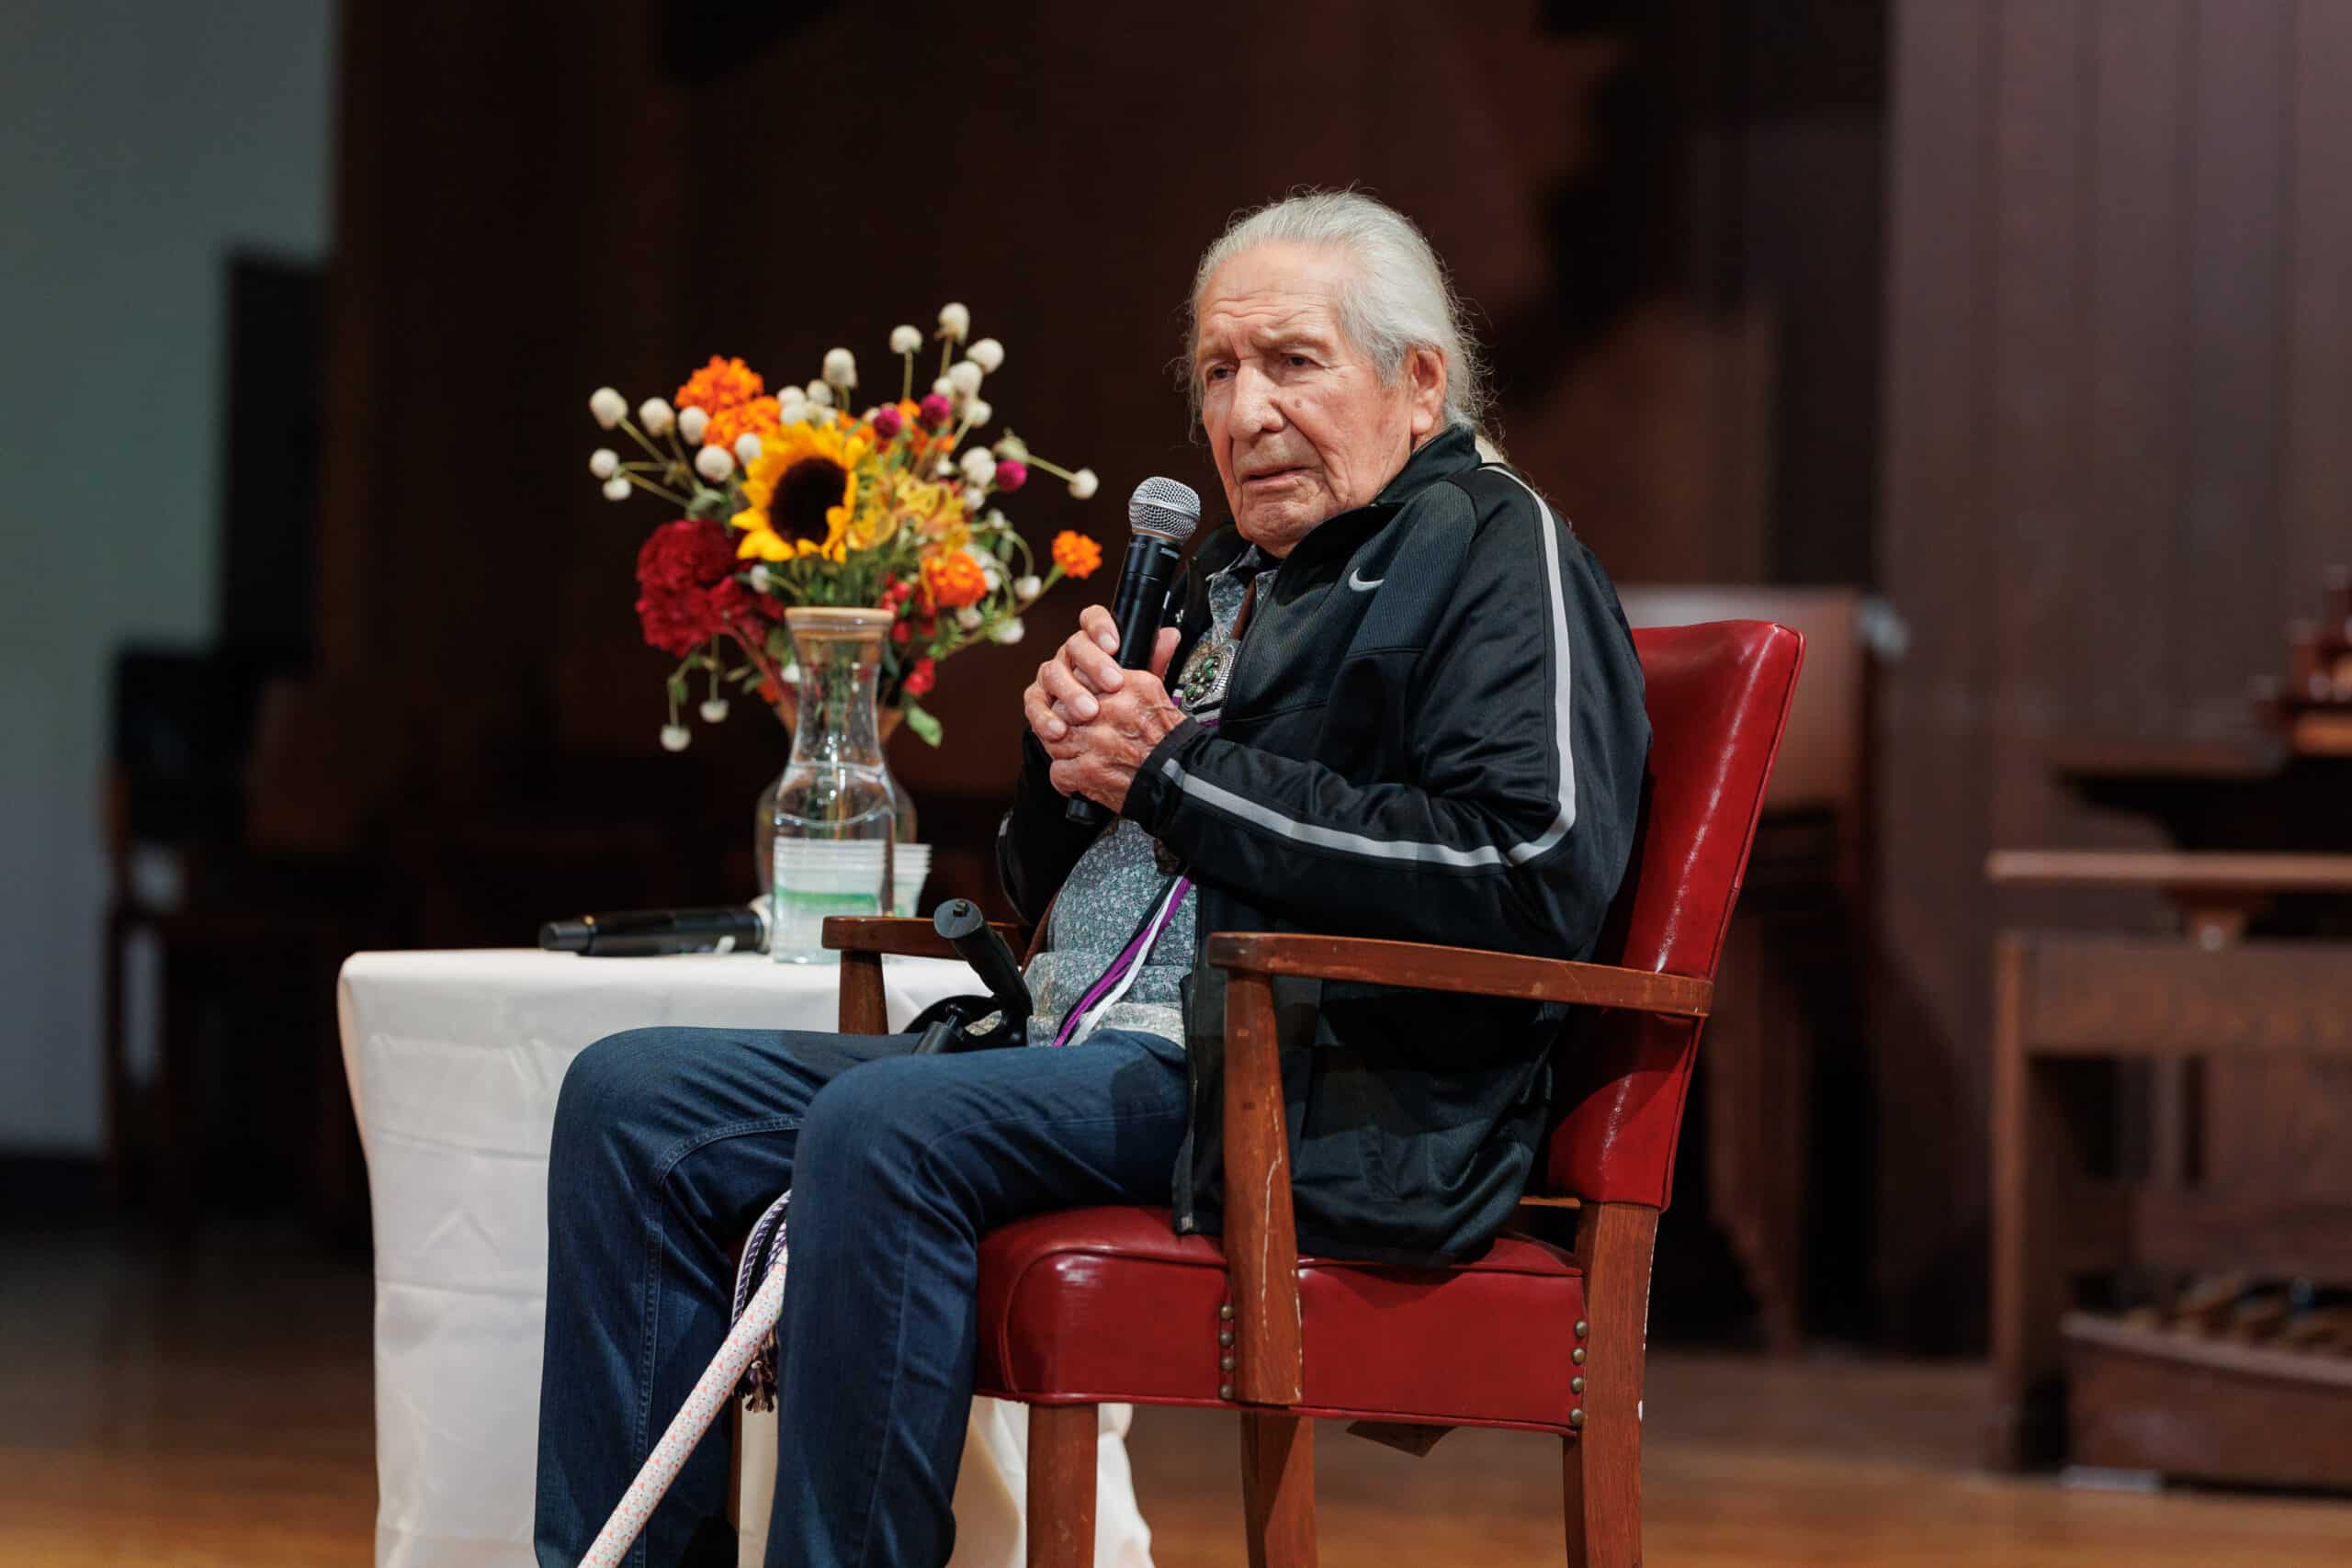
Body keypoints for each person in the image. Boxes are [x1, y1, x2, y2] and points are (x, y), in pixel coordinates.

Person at [535, 189, 1650, 1568]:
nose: (1244, 412)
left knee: (886, 1126)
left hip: (1306, 1082)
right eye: (1219, 373)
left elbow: (1526, 864)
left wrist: (1171, 772)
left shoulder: (1494, 548)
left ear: (1419, 382)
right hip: (1083, 1049)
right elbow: (1050, 880)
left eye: (1292, 362)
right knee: (632, 1100)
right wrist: (1064, 770)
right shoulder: (1223, 581)